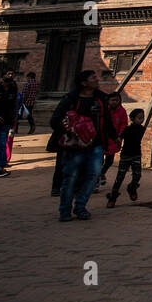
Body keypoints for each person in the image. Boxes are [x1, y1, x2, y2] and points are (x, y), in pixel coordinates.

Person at [50, 70, 117, 222]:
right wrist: (72, 131)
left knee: (93, 176)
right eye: (93, 78)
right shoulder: (70, 100)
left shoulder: (100, 99)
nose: (97, 80)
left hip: (96, 144)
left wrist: (114, 136)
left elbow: (107, 120)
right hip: (75, 147)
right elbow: (55, 121)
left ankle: (80, 206)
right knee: (71, 177)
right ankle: (65, 209)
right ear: (84, 83)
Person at [107, 109, 147, 208]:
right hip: (126, 155)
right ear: (133, 119)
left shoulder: (142, 129)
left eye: (142, 118)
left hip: (136, 154)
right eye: (139, 118)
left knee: (137, 175)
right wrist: (118, 141)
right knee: (120, 177)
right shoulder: (127, 129)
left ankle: (132, 187)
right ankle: (113, 197)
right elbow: (120, 137)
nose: (141, 120)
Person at [99, 91, 129, 187]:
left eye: (116, 100)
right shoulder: (104, 110)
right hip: (102, 139)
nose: (114, 102)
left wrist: (120, 136)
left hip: (114, 140)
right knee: (99, 161)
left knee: (109, 161)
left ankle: (101, 173)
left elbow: (123, 125)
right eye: (112, 100)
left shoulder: (122, 111)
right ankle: (96, 179)